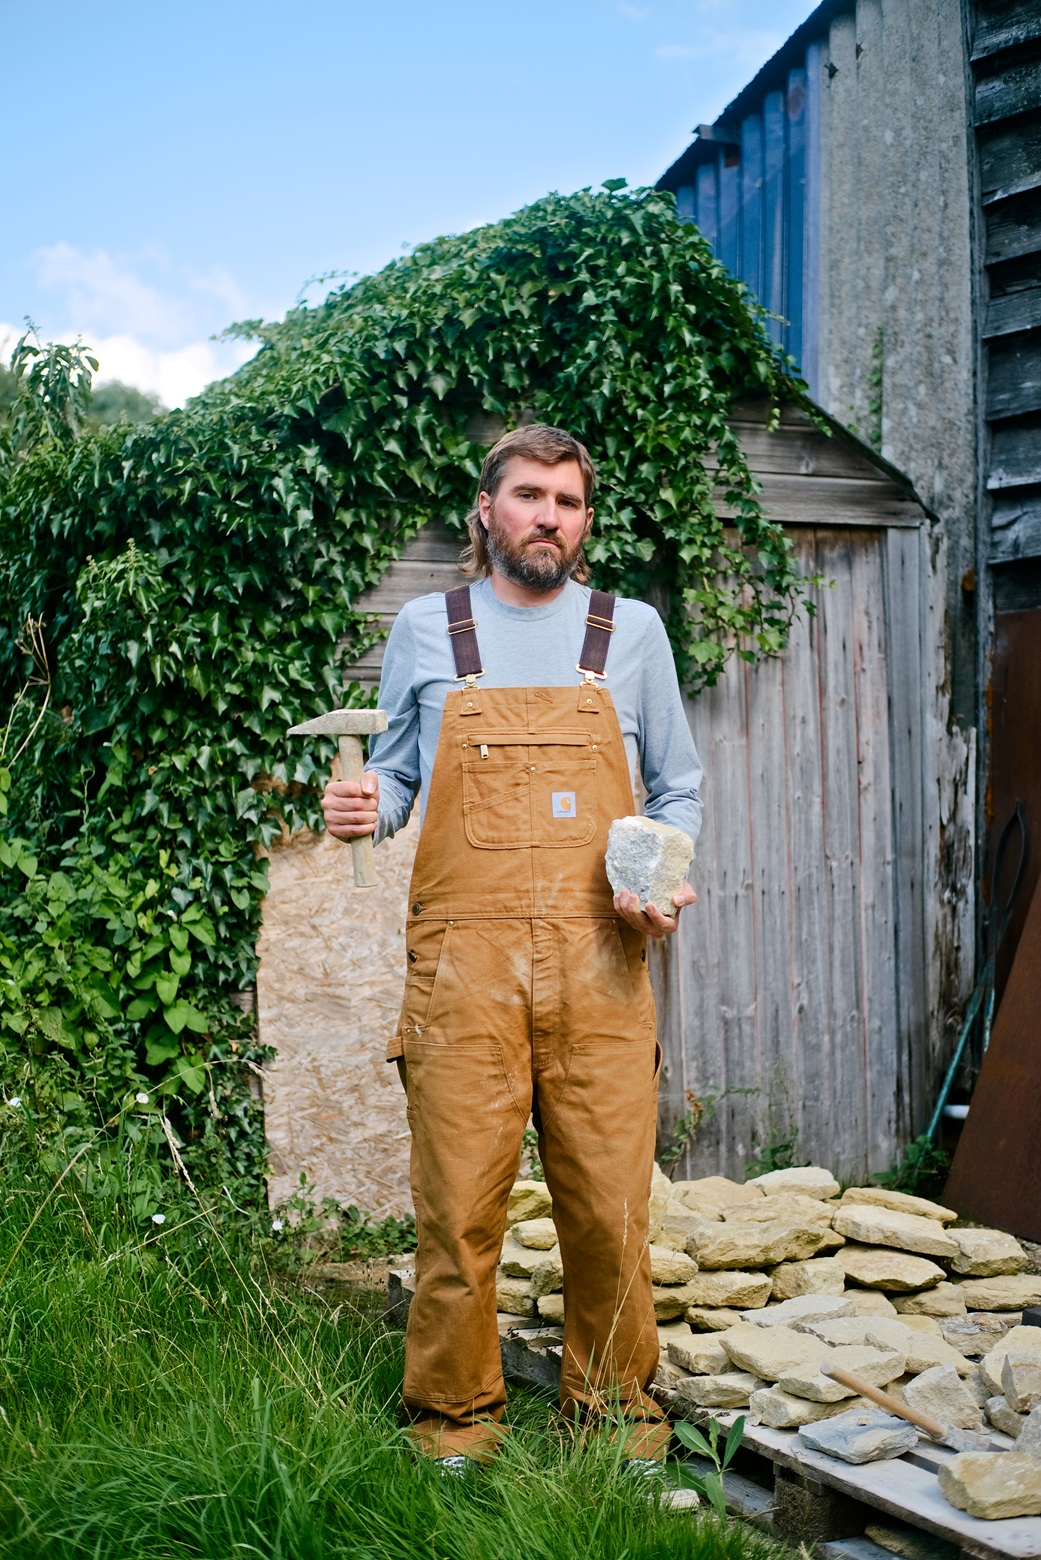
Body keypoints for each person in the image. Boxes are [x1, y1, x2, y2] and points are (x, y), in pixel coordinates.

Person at [322, 424, 703, 1472]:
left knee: (611, 1212)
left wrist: (662, 885)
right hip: (464, 975)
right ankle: (454, 1426)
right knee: (457, 1215)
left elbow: (677, 788)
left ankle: (617, 1424)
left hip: (603, 965)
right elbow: (396, 778)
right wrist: (365, 805)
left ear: (584, 522)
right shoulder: (425, 630)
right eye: (530, 495)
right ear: (485, 509)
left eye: (569, 502)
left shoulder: (630, 634)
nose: (549, 516)